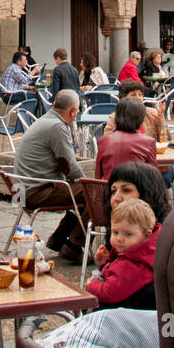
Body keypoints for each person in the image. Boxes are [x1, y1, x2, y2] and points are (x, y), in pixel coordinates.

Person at [12, 89, 85, 260]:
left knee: (83, 191)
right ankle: (74, 244)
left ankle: (58, 239)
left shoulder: (47, 120)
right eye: (77, 110)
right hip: (37, 191)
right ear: (73, 111)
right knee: (94, 193)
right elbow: (70, 166)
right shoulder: (57, 127)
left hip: (24, 188)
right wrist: (89, 182)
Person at [86, 199, 159, 310]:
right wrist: (107, 261)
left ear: (146, 235)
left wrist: (91, 285)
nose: (119, 239)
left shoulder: (134, 264)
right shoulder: (138, 253)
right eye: (115, 232)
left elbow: (110, 292)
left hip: (124, 313)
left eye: (128, 234)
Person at [95, 97, 158, 180]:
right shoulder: (148, 142)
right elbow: (154, 176)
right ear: (140, 119)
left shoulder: (103, 141)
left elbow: (98, 176)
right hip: (137, 190)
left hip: (111, 190)